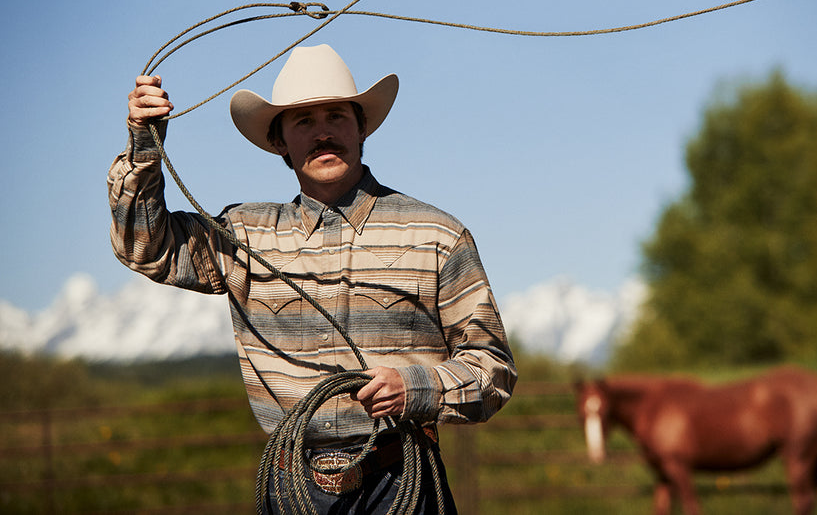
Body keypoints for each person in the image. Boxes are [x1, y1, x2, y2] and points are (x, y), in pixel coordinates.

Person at [108, 44, 517, 513]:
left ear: (361, 127)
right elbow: (144, 244)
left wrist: (416, 388)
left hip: (402, 479)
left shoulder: (435, 235)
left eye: (336, 116)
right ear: (280, 141)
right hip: (291, 487)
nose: (323, 133)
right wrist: (144, 143)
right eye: (303, 121)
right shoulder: (245, 236)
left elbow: (493, 371)